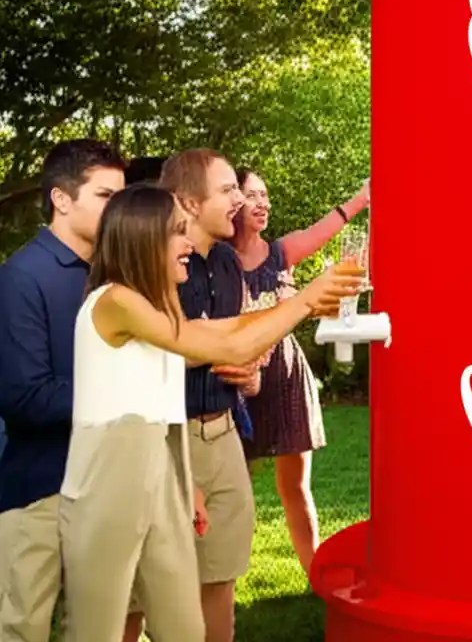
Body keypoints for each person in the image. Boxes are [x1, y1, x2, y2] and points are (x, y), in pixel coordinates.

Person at [59, 183, 362, 641]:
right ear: (144, 239)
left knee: (184, 629)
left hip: (160, 489)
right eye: (178, 234)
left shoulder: (154, 309)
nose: (189, 246)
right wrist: (303, 302)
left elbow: (228, 328)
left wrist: (184, 483)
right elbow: (226, 345)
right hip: (106, 499)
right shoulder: (115, 303)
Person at [0, 140, 140, 641]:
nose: (116, 209)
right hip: (40, 490)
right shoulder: (21, 277)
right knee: (22, 630)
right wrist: (124, 391)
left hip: (106, 486)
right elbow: (24, 398)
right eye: (105, 195)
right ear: (61, 199)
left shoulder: (114, 276)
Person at [230, 168, 369, 573]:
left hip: (286, 376)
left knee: (295, 487)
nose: (264, 203)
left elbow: (324, 230)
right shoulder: (215, 261)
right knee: (232, 488)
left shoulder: (280, 253)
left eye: (266, 195)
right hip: (238, 382)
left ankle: (316, 574)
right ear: (233, 202)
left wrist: (362, 198)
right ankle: (222, 575)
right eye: (253, 195)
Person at [157, 148, 257, 642]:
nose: (238, 199)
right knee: (146, 592)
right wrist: (211, 341)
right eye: (226, 190)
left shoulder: (227, 262)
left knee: (222, 577)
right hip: (165, 441)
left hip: (223, 434)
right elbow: (159, 351)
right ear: (187, 203)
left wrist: (248, 370)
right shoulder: (150, 262)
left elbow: (227, 345)